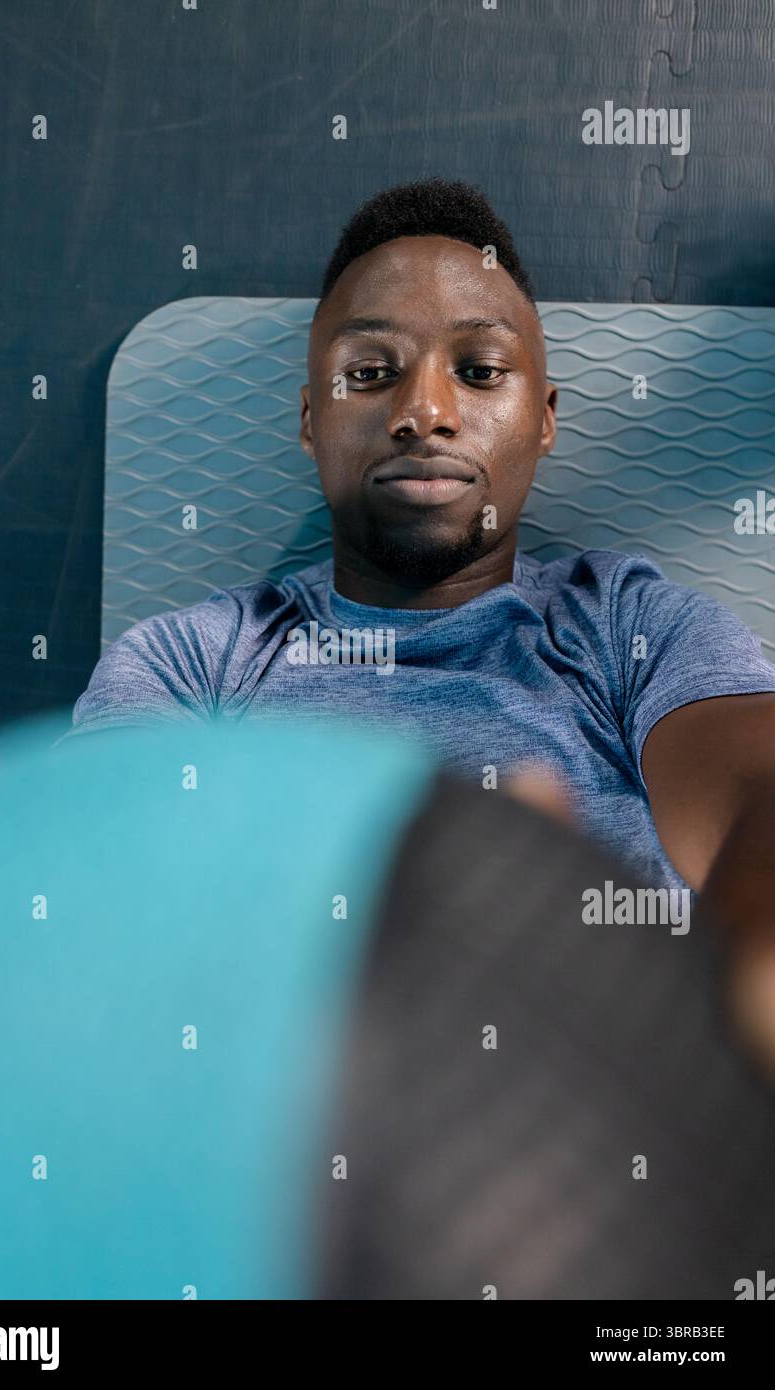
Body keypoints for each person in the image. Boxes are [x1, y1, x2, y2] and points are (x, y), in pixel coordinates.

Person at [64, 176, 775, 1073]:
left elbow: (756, 789)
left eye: (478, 372)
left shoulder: (629, 627)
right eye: (370, 374)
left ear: (543, 419)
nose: (423, 414)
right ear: (312, 419)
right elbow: (98, 874)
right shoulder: (192, 665)